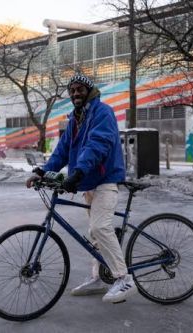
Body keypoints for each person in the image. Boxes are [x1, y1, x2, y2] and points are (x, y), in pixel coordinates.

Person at [26, 73, 137, 303]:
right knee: (93, 233)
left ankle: (124, 278)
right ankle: (98, 278)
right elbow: (62, 151)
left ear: (89, 91)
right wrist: (42, 171)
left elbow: (98, 145)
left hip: (106, 180)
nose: (76, 93)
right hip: (89, 182)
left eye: (80, 89)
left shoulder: (102, 112)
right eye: (72, 90)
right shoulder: (76, 119)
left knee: (100, 227)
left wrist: (78, 172)